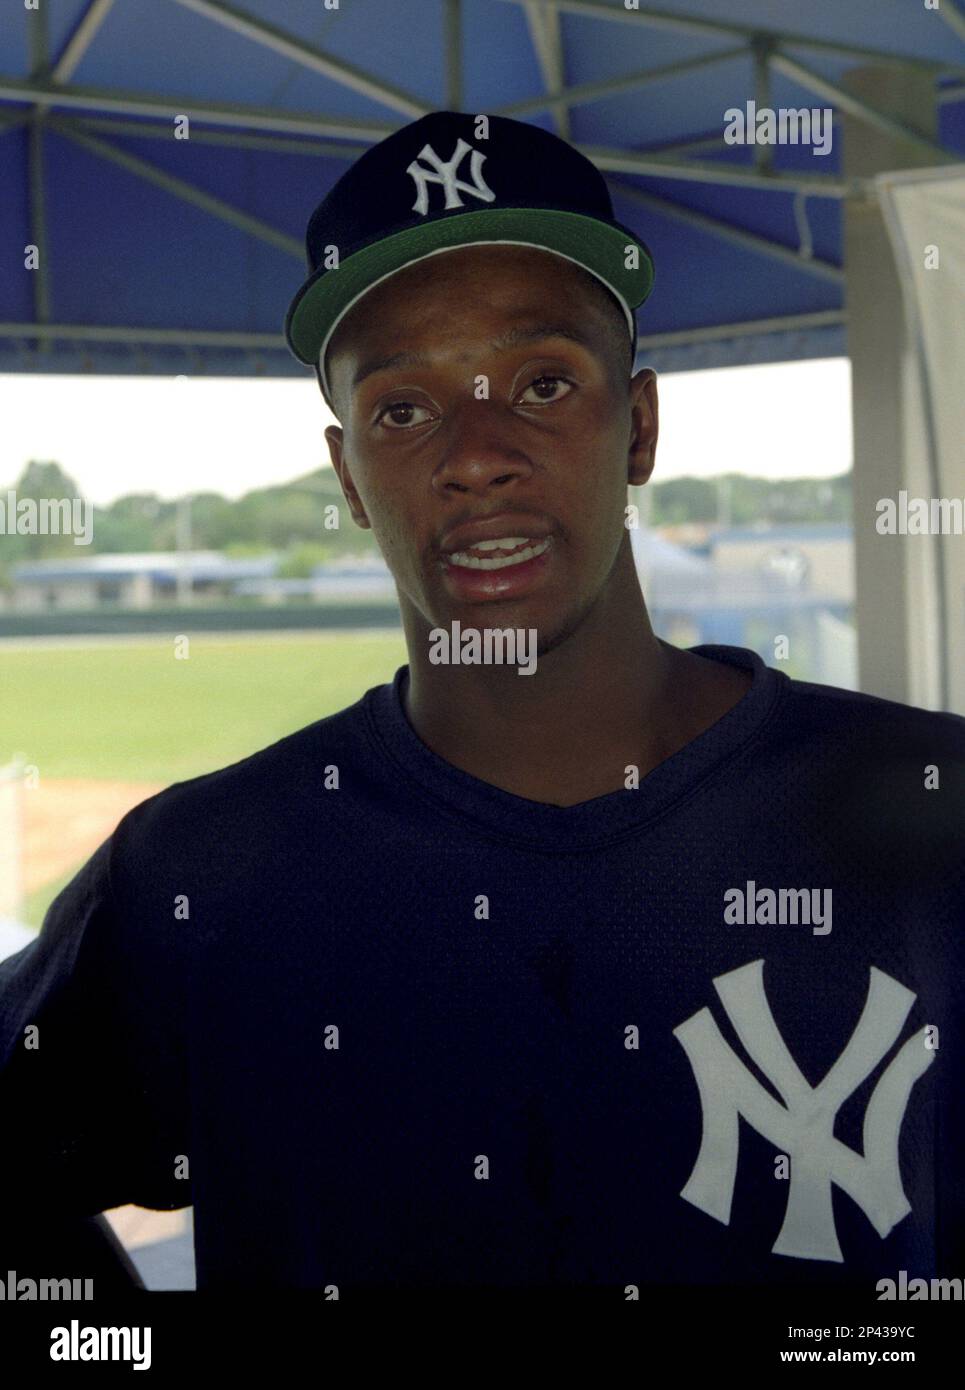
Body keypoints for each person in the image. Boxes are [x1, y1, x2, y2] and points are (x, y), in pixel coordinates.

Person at [1, 111, 962, 1294]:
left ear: (640, 426)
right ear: (350, 475)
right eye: (404, 408)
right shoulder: (202, 874)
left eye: (540, 381)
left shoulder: (930, 811)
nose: (475, 451)